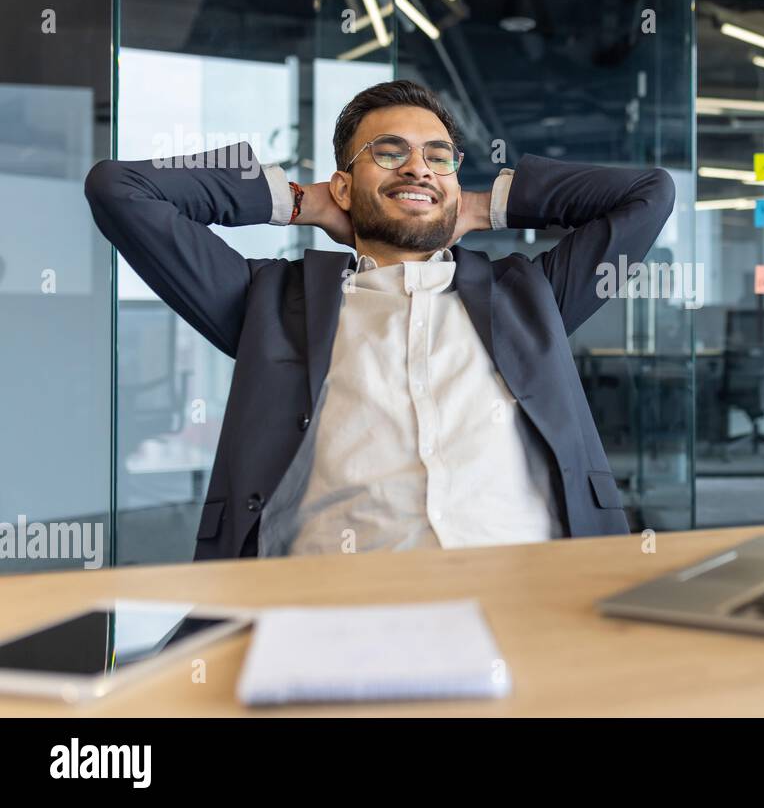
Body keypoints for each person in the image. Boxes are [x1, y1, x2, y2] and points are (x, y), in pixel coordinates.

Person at [85, 79, 675, 560]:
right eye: (389, 153)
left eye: (438, 157)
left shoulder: (529, 296)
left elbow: (649, 193)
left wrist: (481, 205)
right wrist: (298, 201)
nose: (418, 168)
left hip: (527, 599)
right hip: (331, 613)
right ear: (343, 184)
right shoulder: (268, 303)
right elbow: (120, 189)